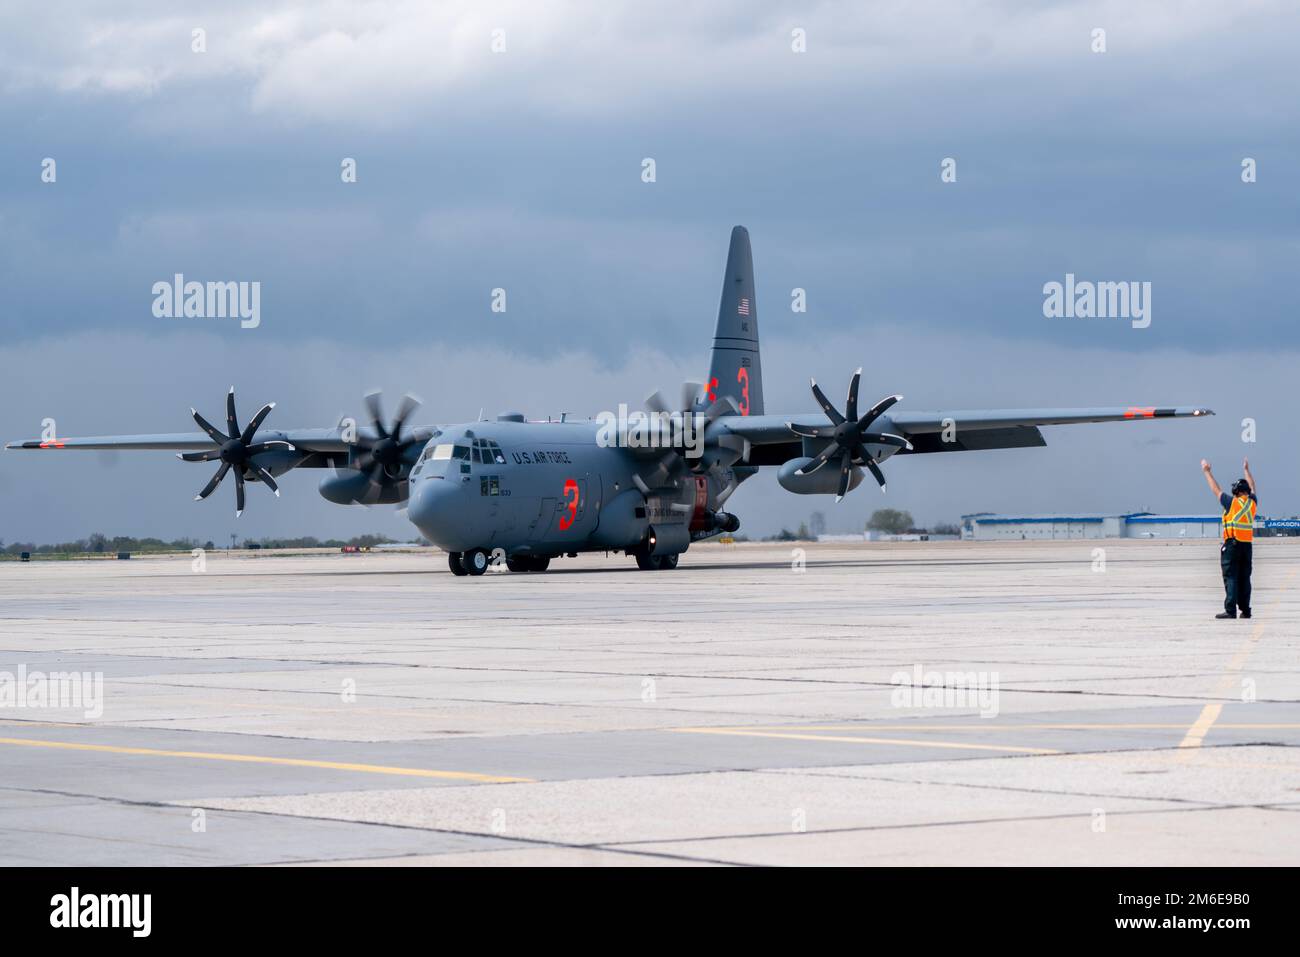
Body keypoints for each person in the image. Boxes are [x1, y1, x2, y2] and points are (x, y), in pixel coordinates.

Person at [1200, 457, 1257, 619]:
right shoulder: (1252, 503)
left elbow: (1215, 489)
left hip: (1232, 544)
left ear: (1237, 491)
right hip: (1247, 546)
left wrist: (1207, 471)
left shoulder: (1231, 503)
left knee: (1231, 576)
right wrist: (1247, 470)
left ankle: (1230, 610)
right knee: (1245, 578)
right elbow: (1253, 486)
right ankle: (1246, 610)